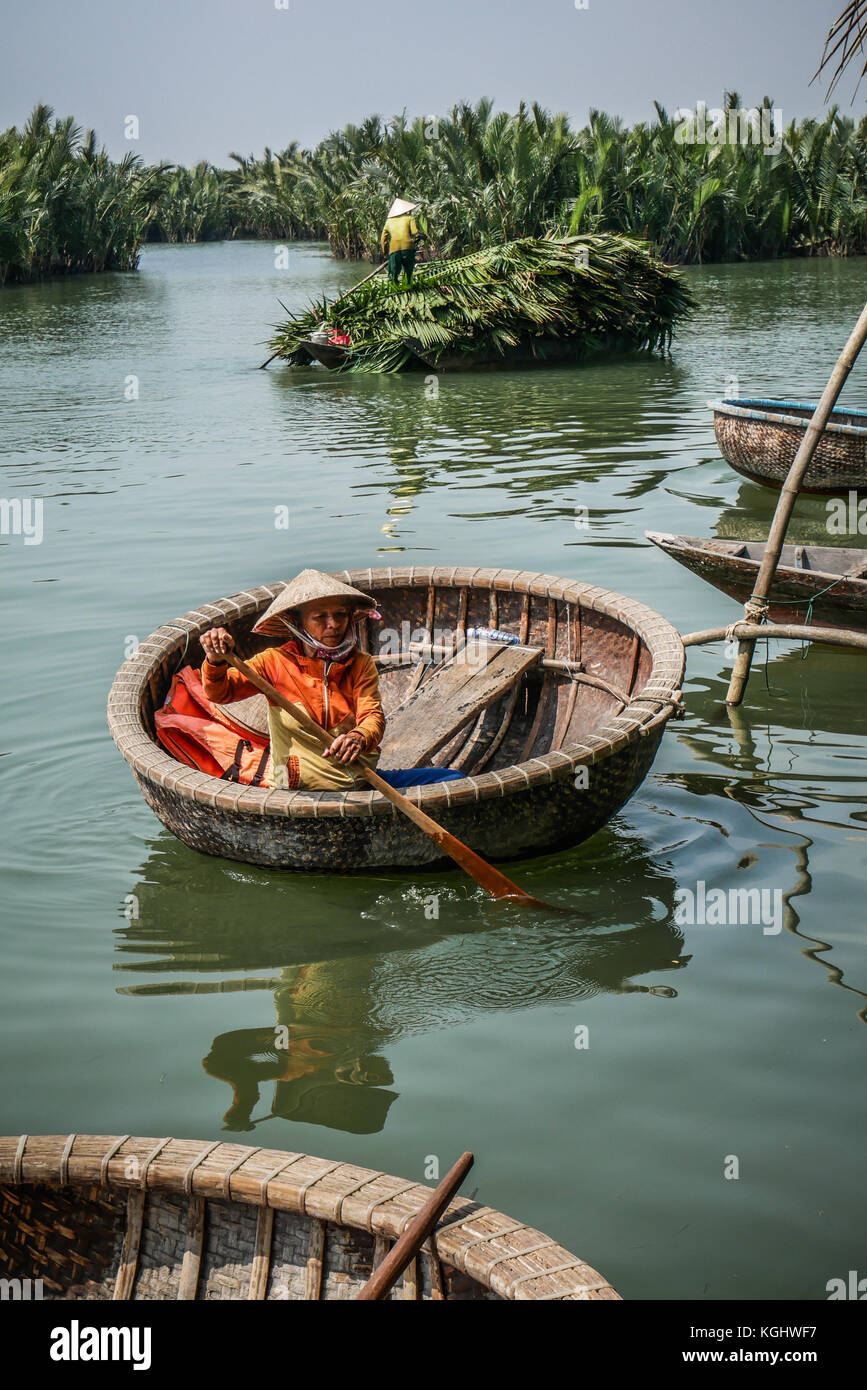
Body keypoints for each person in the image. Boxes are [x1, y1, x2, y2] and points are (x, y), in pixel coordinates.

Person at [200, 569, 385, 792]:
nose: (333, 624)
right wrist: (215, 659)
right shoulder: (274, 662)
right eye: (320, 617)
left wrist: (358, 736)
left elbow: (372, 716)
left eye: (340, 615)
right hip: (297, 790)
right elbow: (220, 693)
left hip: (361, 781)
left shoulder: (360, 663)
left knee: (438, 778)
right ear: (299, 623)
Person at [381, 198, 421, 286]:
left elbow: (383, 239)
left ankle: (394, 289)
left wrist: (385, 253)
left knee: (393, 274)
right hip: (408, 248)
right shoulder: (409, 218)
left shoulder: (388, 222)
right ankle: (408, 288)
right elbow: (415, 232)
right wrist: (421, 235)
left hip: (394, 250)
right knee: (408, 272)